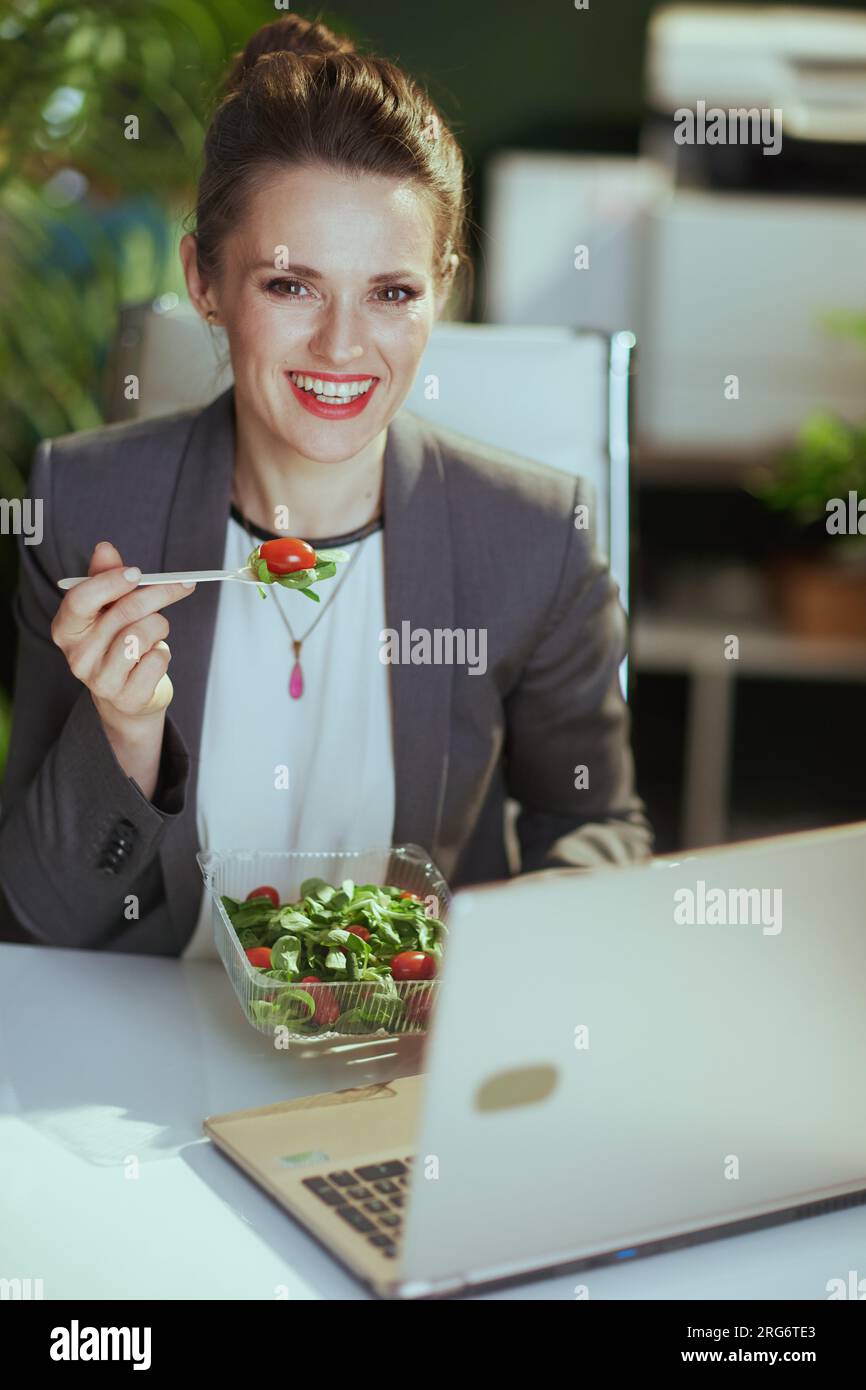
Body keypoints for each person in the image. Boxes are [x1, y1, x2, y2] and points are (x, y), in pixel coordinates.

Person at [0, 14, 652, 955]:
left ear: (444, 290)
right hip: (140, 1064)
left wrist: (495, 971)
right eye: (289, 285)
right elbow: (29, 924)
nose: (343, 348)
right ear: (206, 282)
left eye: (391, 293)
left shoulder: (534, 540)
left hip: (399, 1071)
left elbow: (596, 828)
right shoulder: (86, 507)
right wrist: (124, 735)